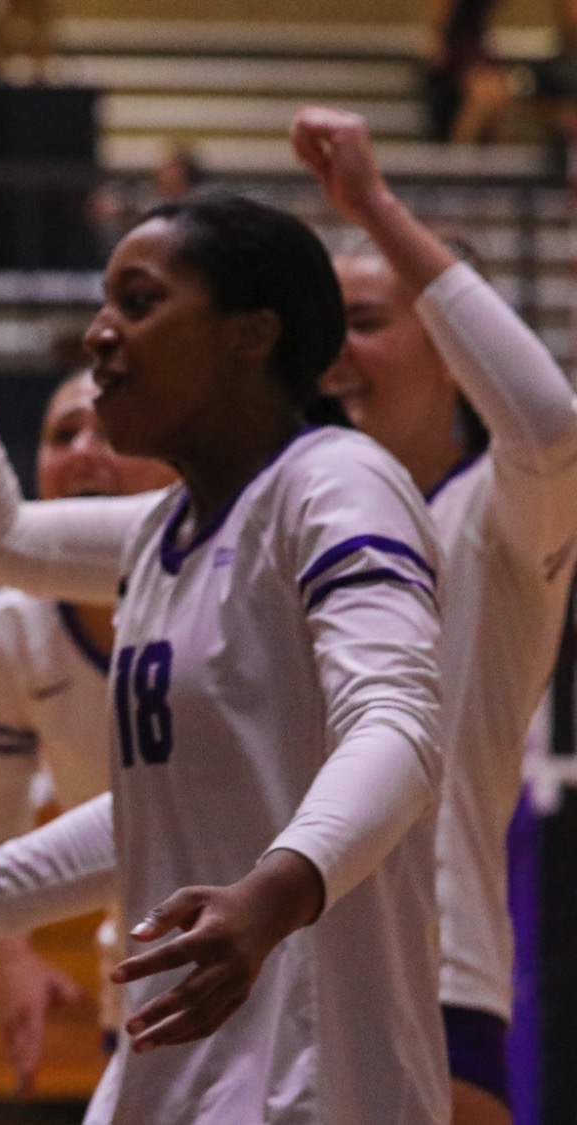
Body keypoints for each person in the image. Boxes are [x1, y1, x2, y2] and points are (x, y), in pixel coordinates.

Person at [0, 179, 447, 1122]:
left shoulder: (339, 482)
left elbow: (400, 723)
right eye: (105, 305)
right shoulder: (164, 534)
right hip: (173, 1066)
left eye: (142, 301)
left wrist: (275, 893)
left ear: (253, 332)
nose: (103, 333)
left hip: (316, 1075)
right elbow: (146, 809)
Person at [294, 105, 577, 1125]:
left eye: (364, 325)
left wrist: (370, 206)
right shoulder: (300, 512)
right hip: (278, 964)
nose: (333, 356)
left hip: (433, 970)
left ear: (452, 349)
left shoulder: (498, 518)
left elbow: (548, 423)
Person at [0, 368, 175, 1093]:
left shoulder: (233, 599)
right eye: (62, 433)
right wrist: (10, 958)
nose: (83, 450)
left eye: (110, 430)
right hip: (139, 968)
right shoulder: (7, 631)